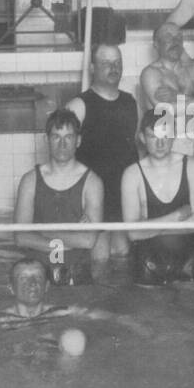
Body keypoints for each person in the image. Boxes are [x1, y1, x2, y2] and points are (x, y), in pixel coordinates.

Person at [13, 109, 105, 286]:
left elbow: (88, 241)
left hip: (77, 274)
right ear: (46, 139)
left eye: (68, 137)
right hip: (36, 275)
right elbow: (20, 237)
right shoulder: (30, 180)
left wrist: (43, 230)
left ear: (78, 141)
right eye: (56, 136)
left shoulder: (92, 182)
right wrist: (69, 240)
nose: (62, 144)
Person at [66, 44, 139, 261]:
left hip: (123, 196)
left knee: (123, 256)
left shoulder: (130, 102)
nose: (113, 67)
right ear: (93, 67)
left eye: (117, 62)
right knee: (99, 259)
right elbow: (61, 153)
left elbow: (136, 149)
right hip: (93, 198)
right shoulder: (79, 105)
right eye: (106, 63)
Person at [121, 109, 194, 285]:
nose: (160, 144)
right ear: (142, 138)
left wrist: (148, 227)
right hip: (148, 263)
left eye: (165, 136)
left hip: (189, 260)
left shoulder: (192, 166)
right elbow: (132, 233)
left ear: (174, 135)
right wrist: (175, 217)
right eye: (153, 137)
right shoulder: (132, 174)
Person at [140, 22, 194, 156]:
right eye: (168, 37)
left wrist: (176, 96)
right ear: (156, 44)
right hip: (164, 143)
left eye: (178, 37)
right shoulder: (150, 73)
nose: (175, 41)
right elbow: (164, 110)